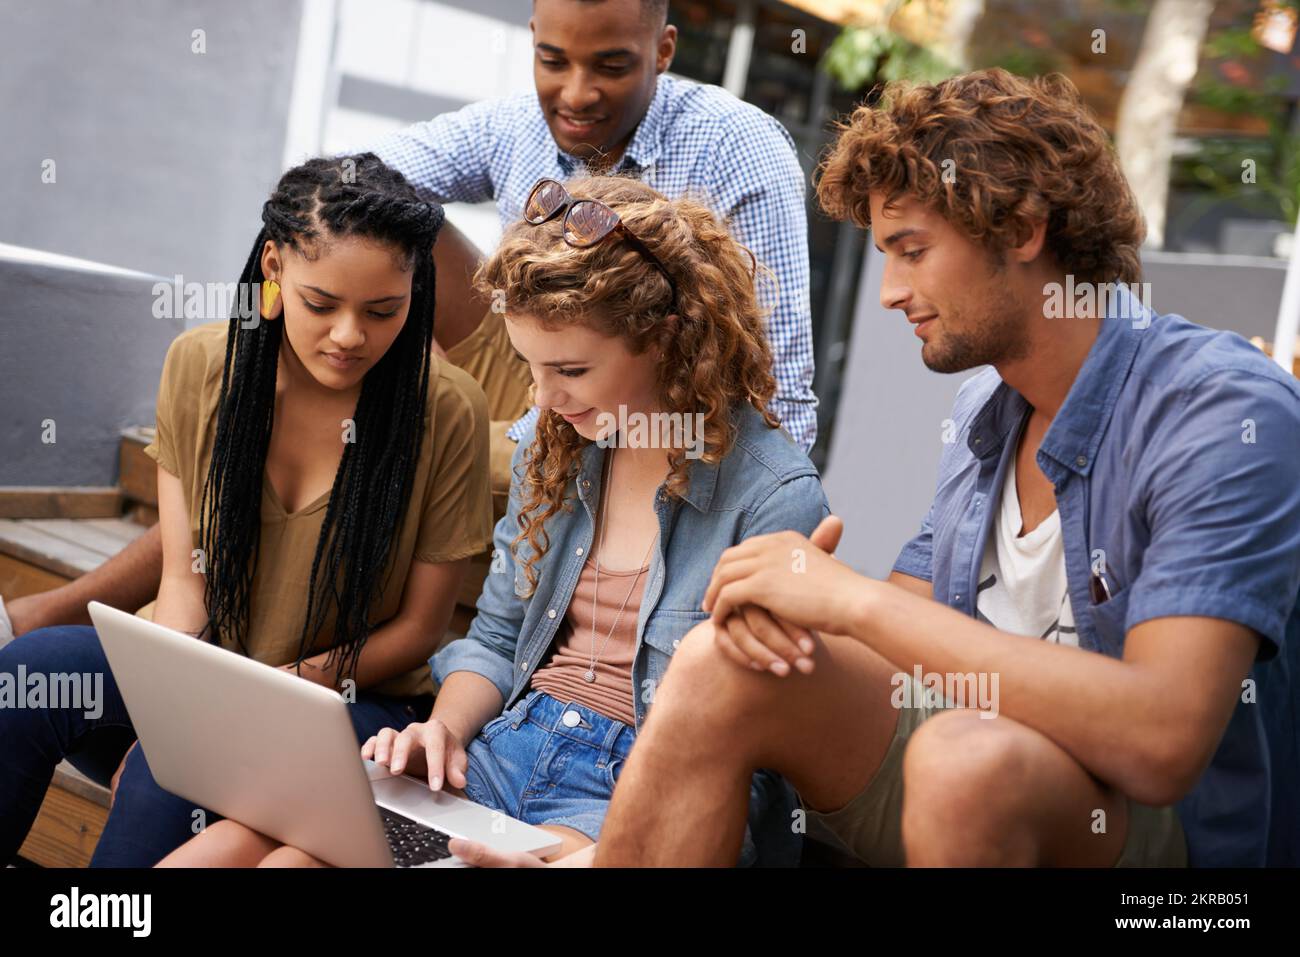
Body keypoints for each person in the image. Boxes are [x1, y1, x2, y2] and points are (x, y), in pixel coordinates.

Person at [591, 69, 1300, 868]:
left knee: (967, 761)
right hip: (967, 763)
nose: (891, 292)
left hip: (1162, 846)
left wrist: (850, 602)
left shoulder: (1222, 410)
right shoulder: (983, 410)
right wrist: (799, 614)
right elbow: (911, 619)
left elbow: (1163, 740)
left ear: (1023, 228)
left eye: (912, 251)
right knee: (721, 659)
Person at [0, 0, 819, 646]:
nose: (576, 92)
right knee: (376, 239)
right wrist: (302, 333)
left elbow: (785, 402)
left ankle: (62, 615)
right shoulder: (514, 123)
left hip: (635, 413)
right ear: (532, 37)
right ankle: (65, 614)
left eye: (611, 65)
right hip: (528, 367)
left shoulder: (739, 150)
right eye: (552, 59)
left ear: (665, 51)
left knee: (354, 417)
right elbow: (348, 187)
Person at [155, 174, 829, 867]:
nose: (542, 399)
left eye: (569, 368)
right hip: (501, 752)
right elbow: (500, 637)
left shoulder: (775, 497)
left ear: (666, 338)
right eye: (530, 368)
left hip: (632, 799)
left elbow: (754, 754)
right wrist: (440, 732)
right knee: (233, 847)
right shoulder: (559, 442)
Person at [0, 153, 493, 866]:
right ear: (272, 267)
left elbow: (420, 627)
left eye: (383, 310)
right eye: (321, 303)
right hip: (203, 669)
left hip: (346, 704)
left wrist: (248, 709)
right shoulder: (202, 365)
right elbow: (183, 580)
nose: (350, 335)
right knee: (30, 672)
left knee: (169, 782)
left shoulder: (446, 410)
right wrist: (177, 710)